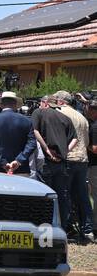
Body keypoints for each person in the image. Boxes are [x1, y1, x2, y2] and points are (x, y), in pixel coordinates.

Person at [32, 93, 78, 240]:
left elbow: (35, 131)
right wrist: (65, 151)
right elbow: (75, 139)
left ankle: (45, 232)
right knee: (61, 197)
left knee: (45, 196)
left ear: (45, 103)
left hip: (47, 161)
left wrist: (46, 149)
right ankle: (61, 229)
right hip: (62, 161)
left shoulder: (39, 112)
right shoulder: (65, 118)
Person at [56, 91, 94, 243]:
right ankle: (88, 230)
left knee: (65, 195)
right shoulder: (82, 117)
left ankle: (67, 228)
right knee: (83, 197)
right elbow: (85, 141)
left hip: (68, 158)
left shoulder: (59, 113)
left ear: (60, 101)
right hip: (82, 159)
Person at [0, 91, 35, 175]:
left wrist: (3, 162)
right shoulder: (27, 121)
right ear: (15, 104)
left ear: (1, 104)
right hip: (21, 169)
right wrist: (19, 160)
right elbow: (32, 143)